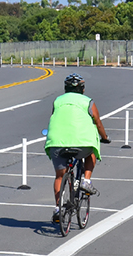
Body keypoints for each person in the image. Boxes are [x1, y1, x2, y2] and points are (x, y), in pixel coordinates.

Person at [44, 73, 110, 224]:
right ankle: (86, 180)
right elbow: (98, 122)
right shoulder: (88, 102)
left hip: (57, 142)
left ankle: (58, 208)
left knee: (59, 176)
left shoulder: (57, 101)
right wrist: (105, 137)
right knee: (91, 152)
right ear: (82, 89)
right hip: (82, 143)